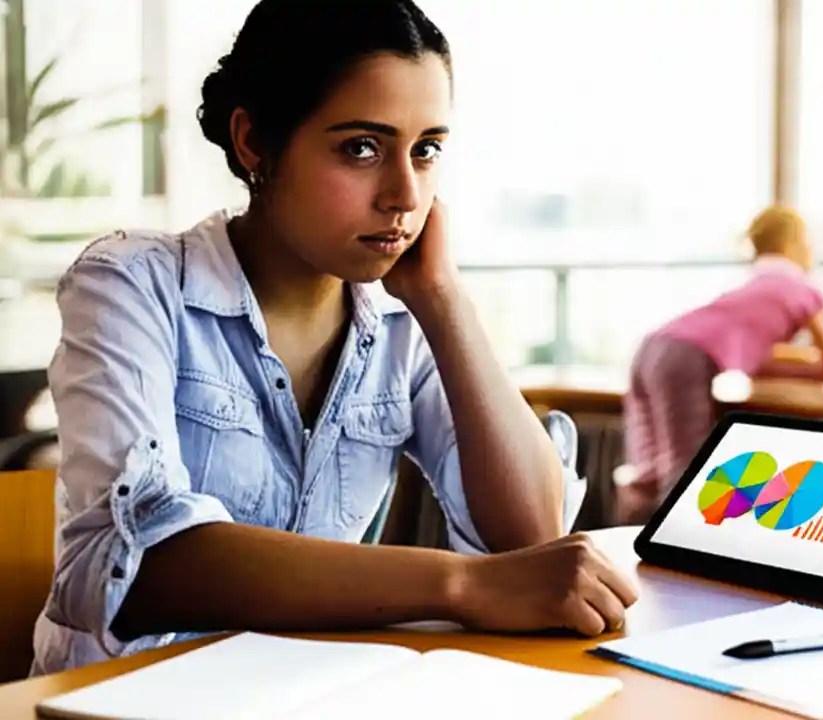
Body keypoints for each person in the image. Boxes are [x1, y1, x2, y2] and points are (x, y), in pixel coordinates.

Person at [32, 0, 637, 675]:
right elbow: (146, 566)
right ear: (254, 142)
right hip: (119, 701)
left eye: (426, 150)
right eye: (362, 148)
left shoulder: (404, 323)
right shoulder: (132, 285)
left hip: (314, 697)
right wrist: (462, 586)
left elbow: (531, 538)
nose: (405, 194)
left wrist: (445, 302)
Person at [618, 206, 823, 524]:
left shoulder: (753, 284)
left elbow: (756, 359)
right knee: (684, 473)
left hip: (651, 347)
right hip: (684, 357)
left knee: (648, 473)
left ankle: (626, 552)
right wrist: (806, 369)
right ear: (793, 243)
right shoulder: (805, 289)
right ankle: (678, 553)